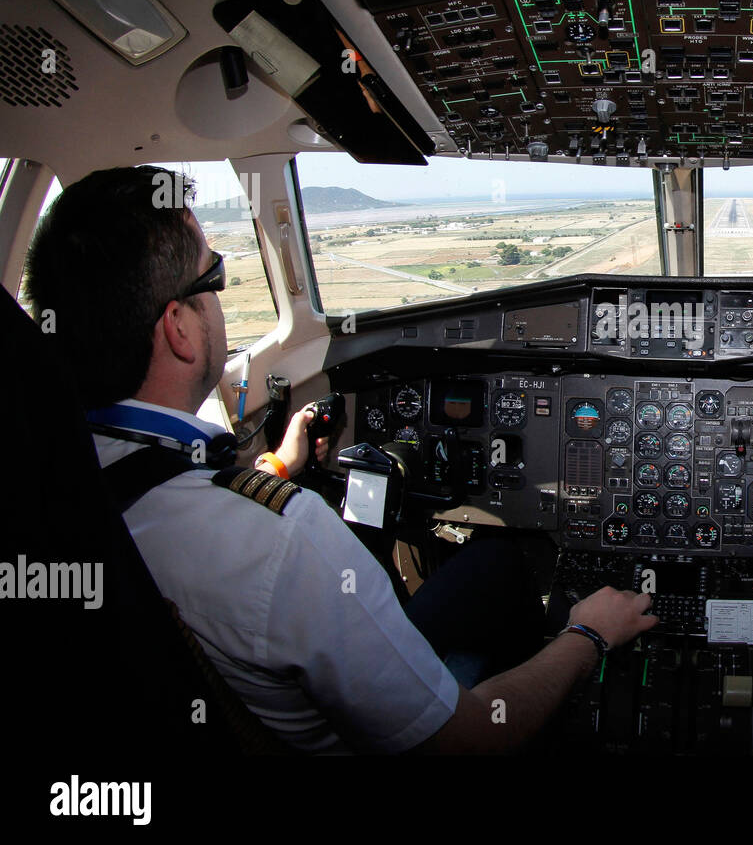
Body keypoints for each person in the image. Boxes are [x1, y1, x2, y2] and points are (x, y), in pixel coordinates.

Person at [24, 165, 657, 754]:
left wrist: (274, 465)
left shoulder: (47, 481)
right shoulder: (285, 538)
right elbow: (465, 742)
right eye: (214, 278)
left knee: (494, 559)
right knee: (512, 574)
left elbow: (188, 520)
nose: (220, 295)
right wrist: (587, 635)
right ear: (178, 330)